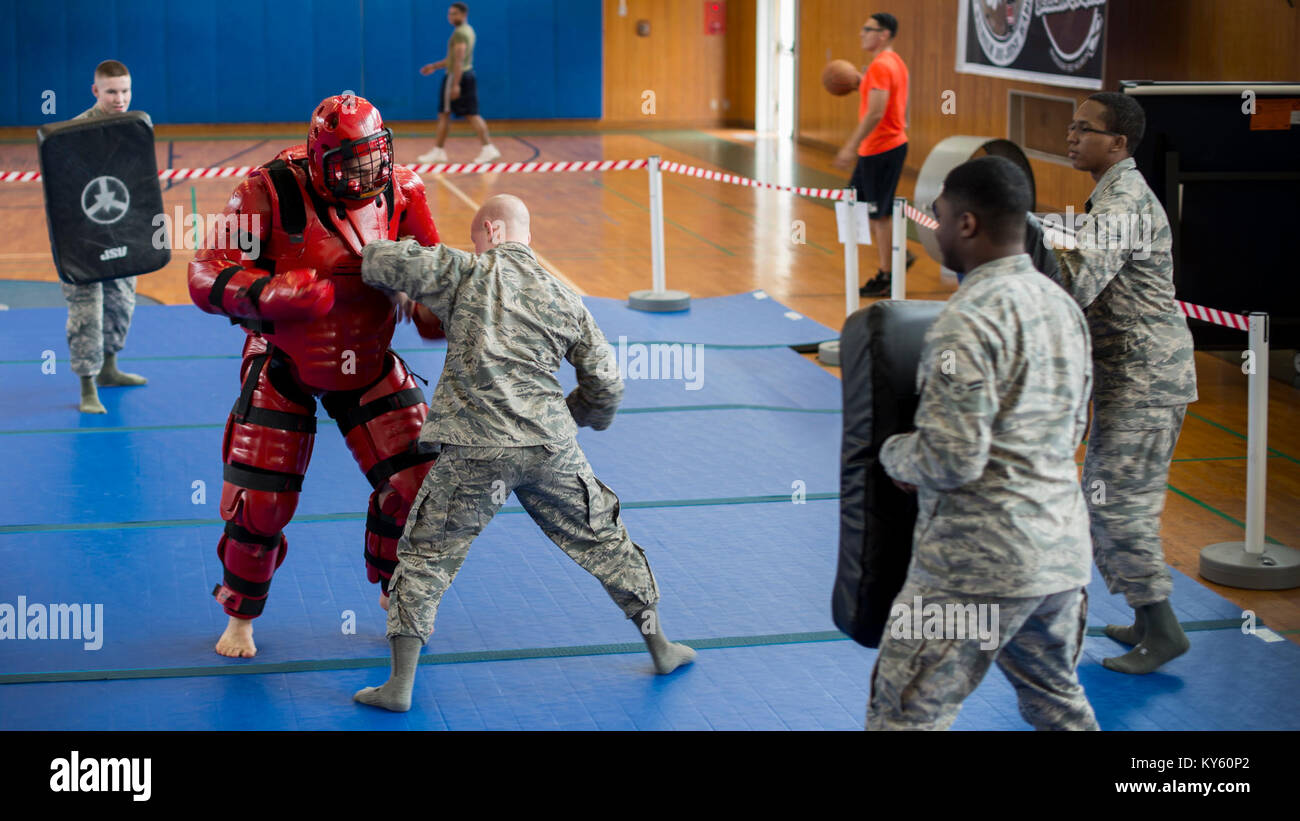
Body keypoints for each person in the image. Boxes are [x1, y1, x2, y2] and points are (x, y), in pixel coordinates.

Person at [353, 194, 695, 712]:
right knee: (605, 540)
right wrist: (570, 417)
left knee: (426, 556)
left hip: (476, 446)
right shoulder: (565, 296)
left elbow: (380, 259)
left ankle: (399, 685)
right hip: (549, 447)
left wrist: (394, 277)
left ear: (490, 229)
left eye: (476, 238)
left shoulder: (467, 271)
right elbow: (607, 383)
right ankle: (661, 647)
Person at [188, 94, 446, 658]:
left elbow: (437, 273)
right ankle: (240, 615)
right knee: (259, 505)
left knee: (422, 483)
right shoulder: (269, 190)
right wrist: (275, 294)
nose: (366, 173)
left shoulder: (402, 190)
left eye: (373, 157)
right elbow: (205, 272)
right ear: (320, 156)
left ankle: (392, 585)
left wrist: (432, 304)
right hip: (284, 357)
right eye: (350, 161)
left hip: (369, 357)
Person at [869, 157, 1098, 731]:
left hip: (977, 569)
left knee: (905, 715)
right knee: (1059, 708)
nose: (936, 228)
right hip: (1060, 556)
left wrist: (893, 453)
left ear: (967, 224)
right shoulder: (1062, 306)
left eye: (940, 217)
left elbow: (951, 458)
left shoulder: (966, 321)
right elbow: (1074, 426)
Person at [1049, 92, 1195, 675]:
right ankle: (1143, 616)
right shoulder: (1110, 195)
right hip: (1129, 374)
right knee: (1107, 497)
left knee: (1119, 507)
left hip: (1146, 378)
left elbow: (1079, 283)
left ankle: (1163, 631)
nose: (1072, 136)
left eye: (1085, 129)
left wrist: (1024, 243)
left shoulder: (1124, 202)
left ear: (1119, 143)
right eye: (1072, 126)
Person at [65, 59, 147, 414]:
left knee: (122, 301)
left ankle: (109, 369)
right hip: (81, 238)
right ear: (96, 91)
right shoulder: (72, 134)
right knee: (88, 311)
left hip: (120, 231)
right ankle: (87, 387)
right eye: (112, 92)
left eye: (125, 91)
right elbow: (63, 194)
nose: (120, 98)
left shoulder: (134, 127)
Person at [832, 13, 912, 297]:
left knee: (879, 214)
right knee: (854, 204)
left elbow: (877, 111)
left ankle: (888, 273)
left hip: (882, 148)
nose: (862, 34)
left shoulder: (881, 66)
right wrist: (860, 83)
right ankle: (895, 257)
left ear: (884, 35)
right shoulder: (893, 63)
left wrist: (850, 146)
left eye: (868, 29)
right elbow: (882, 99)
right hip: (879, 148)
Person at [417, 2, 501, 164]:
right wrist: (434, 66)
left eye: (454, 14)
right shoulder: (467, 31)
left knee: (446, 114)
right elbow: (453, 59)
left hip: (457, 77)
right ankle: (486, 148)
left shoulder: (460, 34)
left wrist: (455, 84)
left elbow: (459, 60)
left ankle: (440, 151)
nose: (451, 17)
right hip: (465, 75)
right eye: (449, 14)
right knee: (467, 113)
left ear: (463, 14)